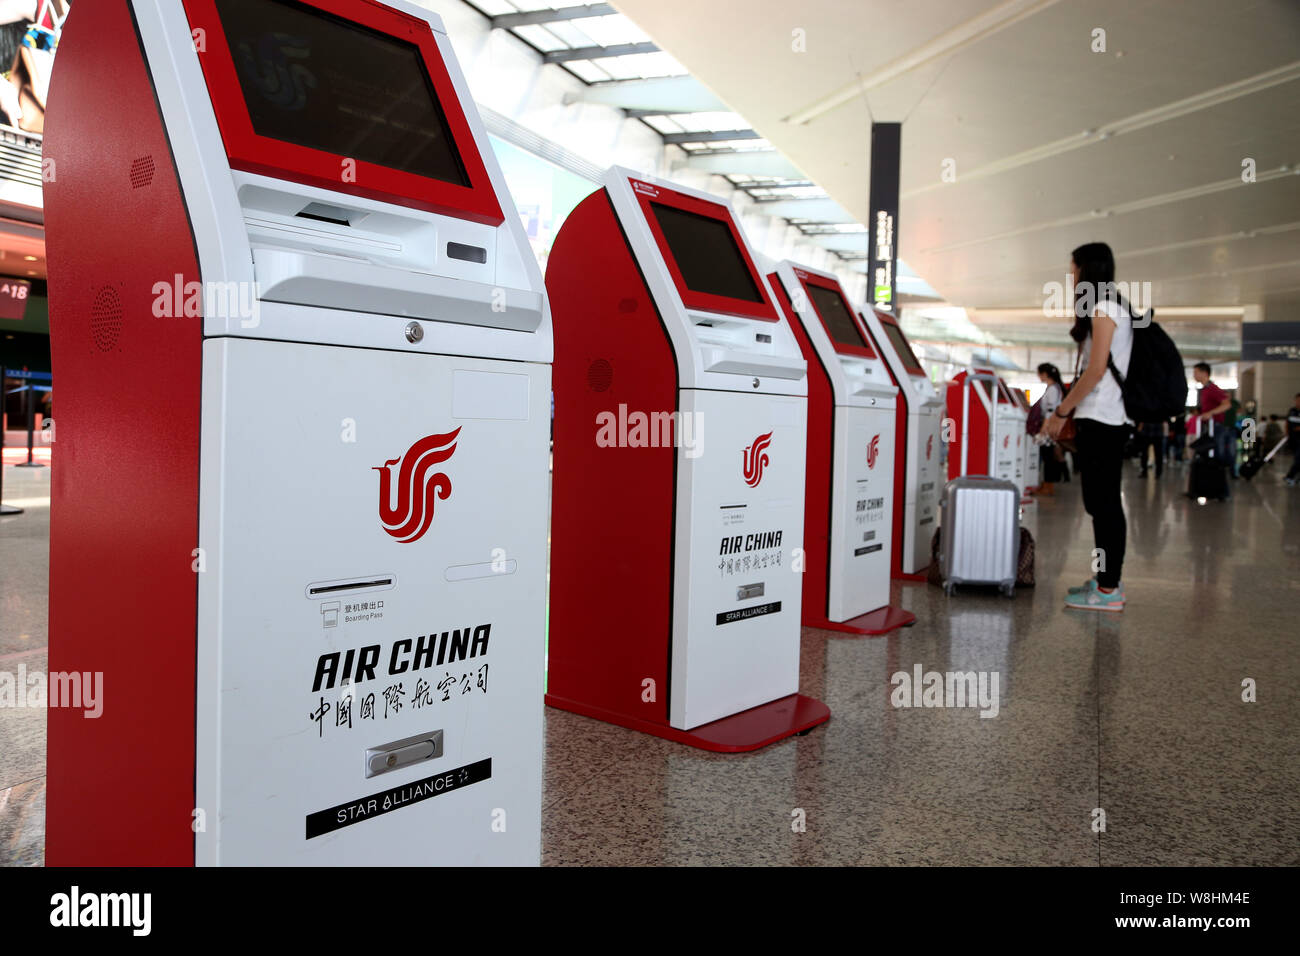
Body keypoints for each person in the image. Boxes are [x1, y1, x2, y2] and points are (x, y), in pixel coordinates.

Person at [1044, 242, 1132, 612]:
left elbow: (1095, 372)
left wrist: (1061, 411)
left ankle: (1109, 590)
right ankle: (1104, 581)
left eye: (1073, 268)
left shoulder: (1104, 308)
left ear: (1087, 270)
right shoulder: (1114, 307)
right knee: (1100, 503)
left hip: (1103, 418)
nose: (1070, 275)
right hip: (1105, 419)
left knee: (1105, 503)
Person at [1192, 362, 1233, 489]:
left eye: (1196, 372)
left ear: (1204, 373)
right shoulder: (1204, 390)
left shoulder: (1212, 388)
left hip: (1216, 427)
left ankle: (1221, 489)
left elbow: (1227, 404)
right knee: (1206, 454)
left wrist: (1211, 413)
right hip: (1208, 427)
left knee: (1217, 456)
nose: (1194, 375)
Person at [1034, 363, 1066, 495]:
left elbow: (1050, 410)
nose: (1039, 376)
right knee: (1047, 457)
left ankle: (1048, 486)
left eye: (1040, 373)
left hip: (1049, 427)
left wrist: (1044, 427)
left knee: (1048, 458)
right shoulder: (1053, 388)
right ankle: (1046, 484)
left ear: (1045, 374)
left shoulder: (1053, 389)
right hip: (1049, 426)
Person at [1286, 394, 1300, 486]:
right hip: (1293, 439)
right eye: (1297, 400)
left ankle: (1290, 476)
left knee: (1299, 458)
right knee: (1297, 458)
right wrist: (1287, 433)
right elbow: (1287, 423)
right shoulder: (1292, 411)